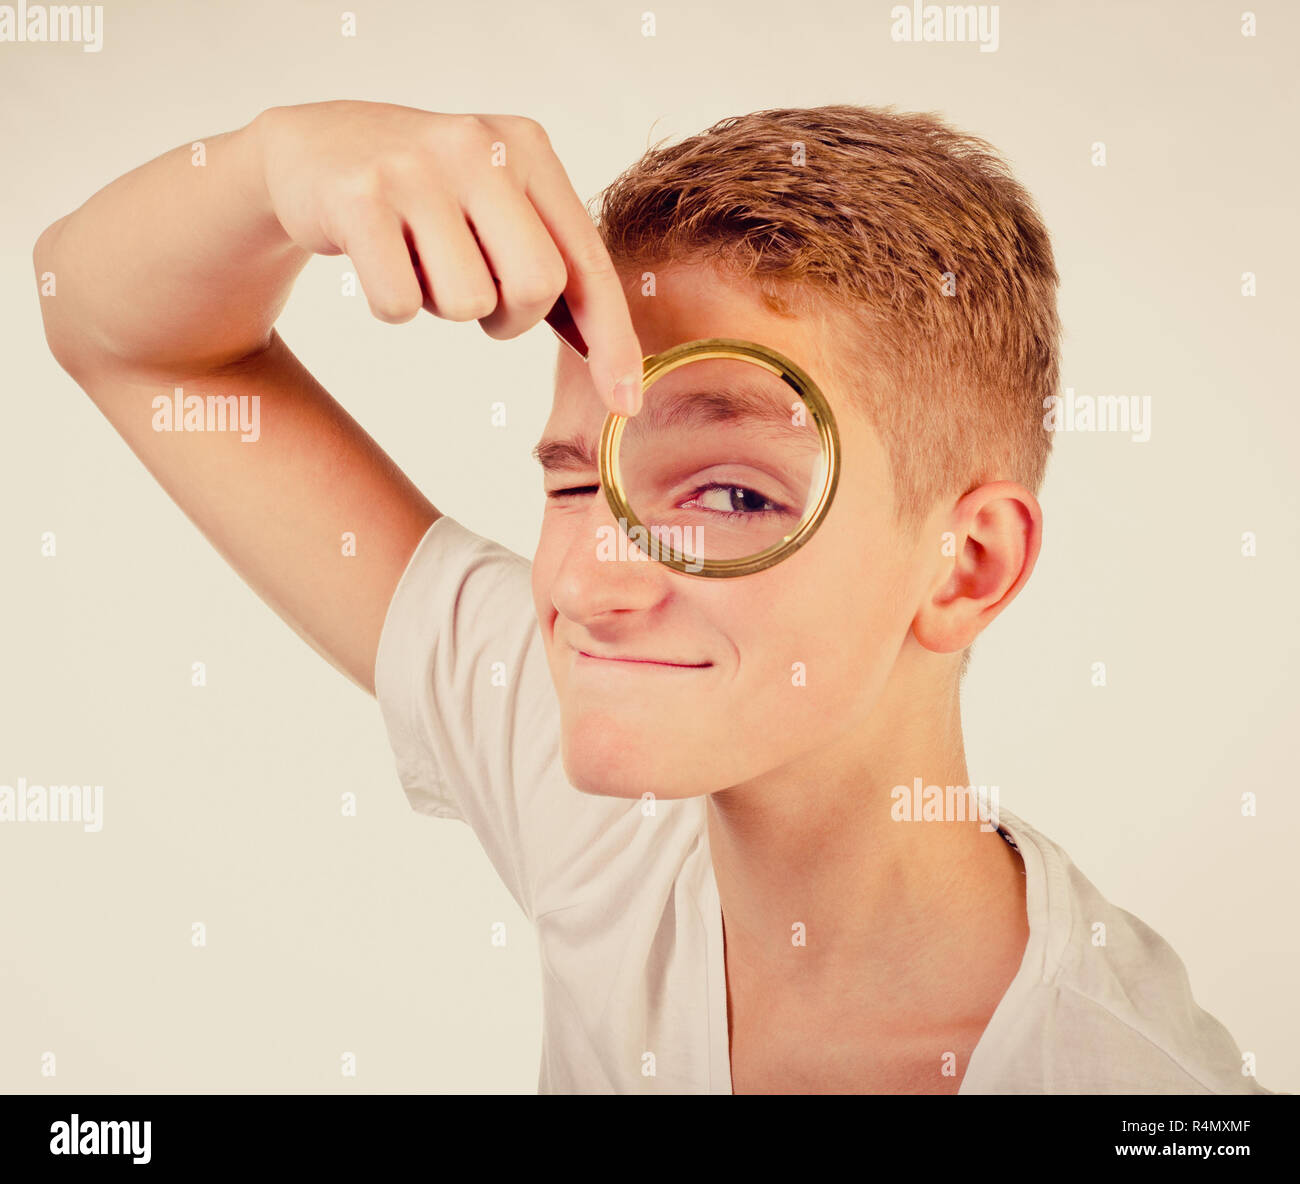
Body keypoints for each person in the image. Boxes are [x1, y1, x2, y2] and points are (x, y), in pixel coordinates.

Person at [34, 99, 1271, 1094]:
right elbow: (112, 322)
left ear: (968, 565)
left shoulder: (1120, 1081)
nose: (585, 587)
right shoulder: (598, 775)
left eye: (730, 495)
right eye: (576, 482)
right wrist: (272, 162)